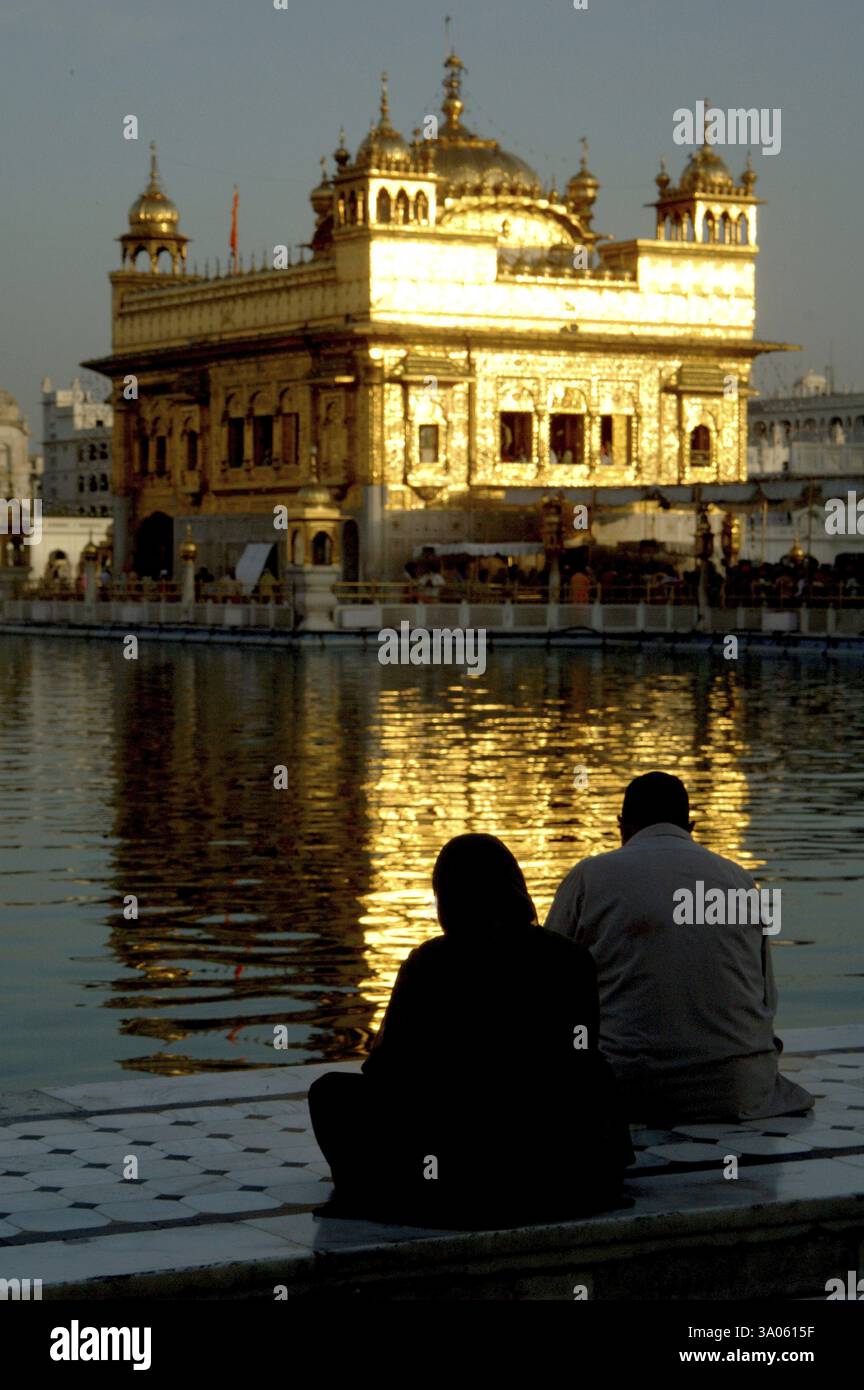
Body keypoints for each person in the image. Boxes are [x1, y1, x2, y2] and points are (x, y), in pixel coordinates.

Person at [310, 834, 633, 1228]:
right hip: (549, 1158)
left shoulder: (429, 964)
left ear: (446, 898)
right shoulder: (571, 959)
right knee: (599, 1077)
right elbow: (582, 1060)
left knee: (330, 1093)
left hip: (454, 1160)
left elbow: (385, 1071)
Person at [545, 772, 814, 1125]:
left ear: (621, 826)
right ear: (691, 826)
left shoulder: (590, 876)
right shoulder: (740, 880)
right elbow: (766, 999)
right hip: (739, 1089)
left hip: (627, 1091)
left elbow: (545, 980)